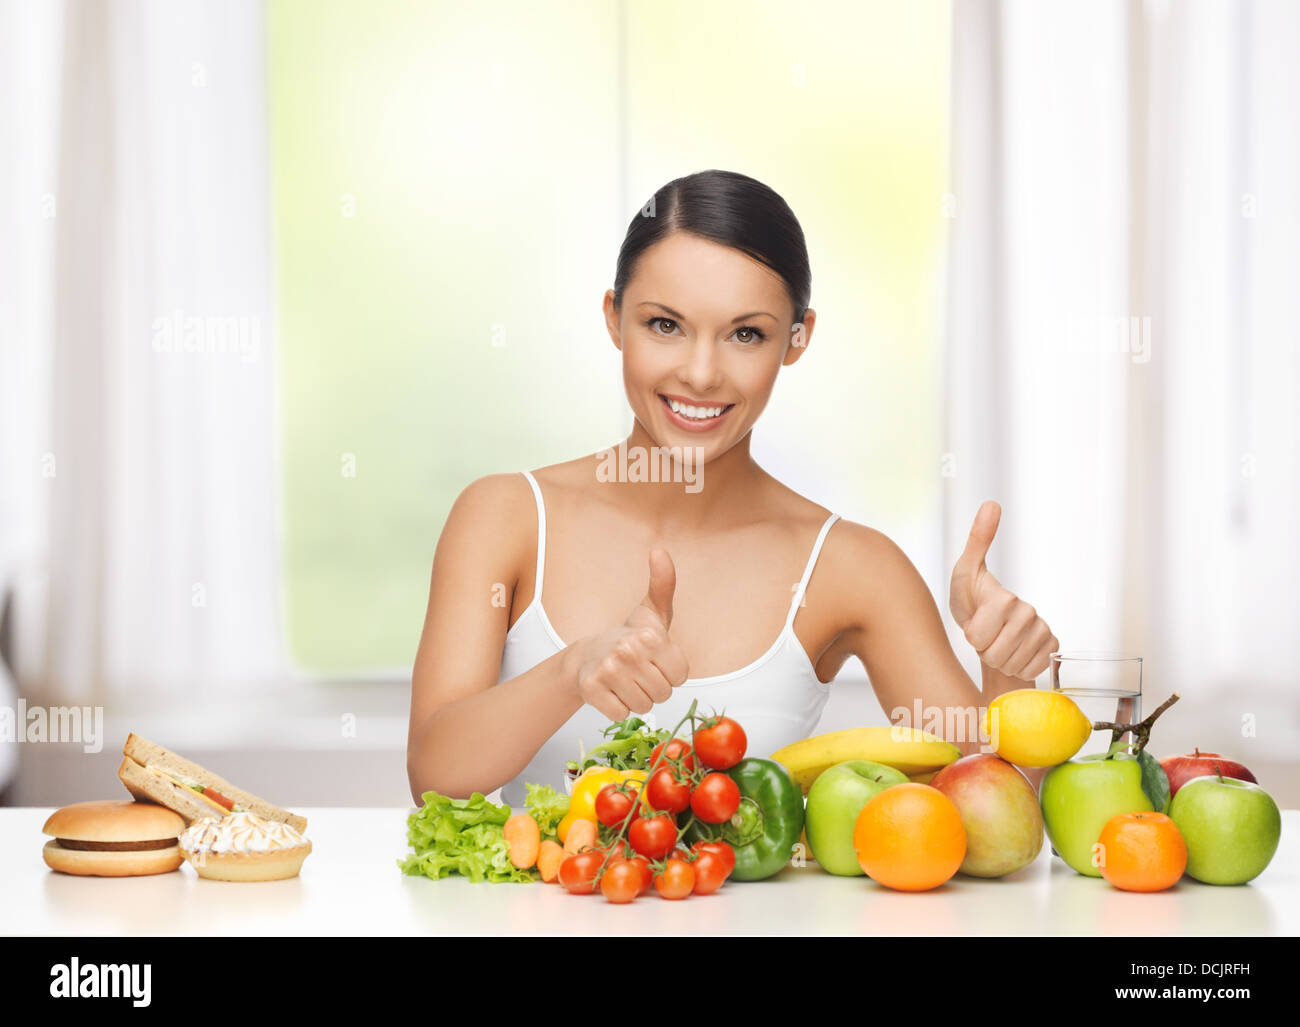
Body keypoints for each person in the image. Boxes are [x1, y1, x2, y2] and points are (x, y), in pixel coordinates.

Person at [407, 169, 1057, 807]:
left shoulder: (855, 567)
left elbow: (1000, 816)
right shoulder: (504, 517)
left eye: (746, 334)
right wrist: (569, 671)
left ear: (796, 339)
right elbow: (434, 776)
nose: (700, 374)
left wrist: (1007, 672)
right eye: (665, 324)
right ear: (614, 317)